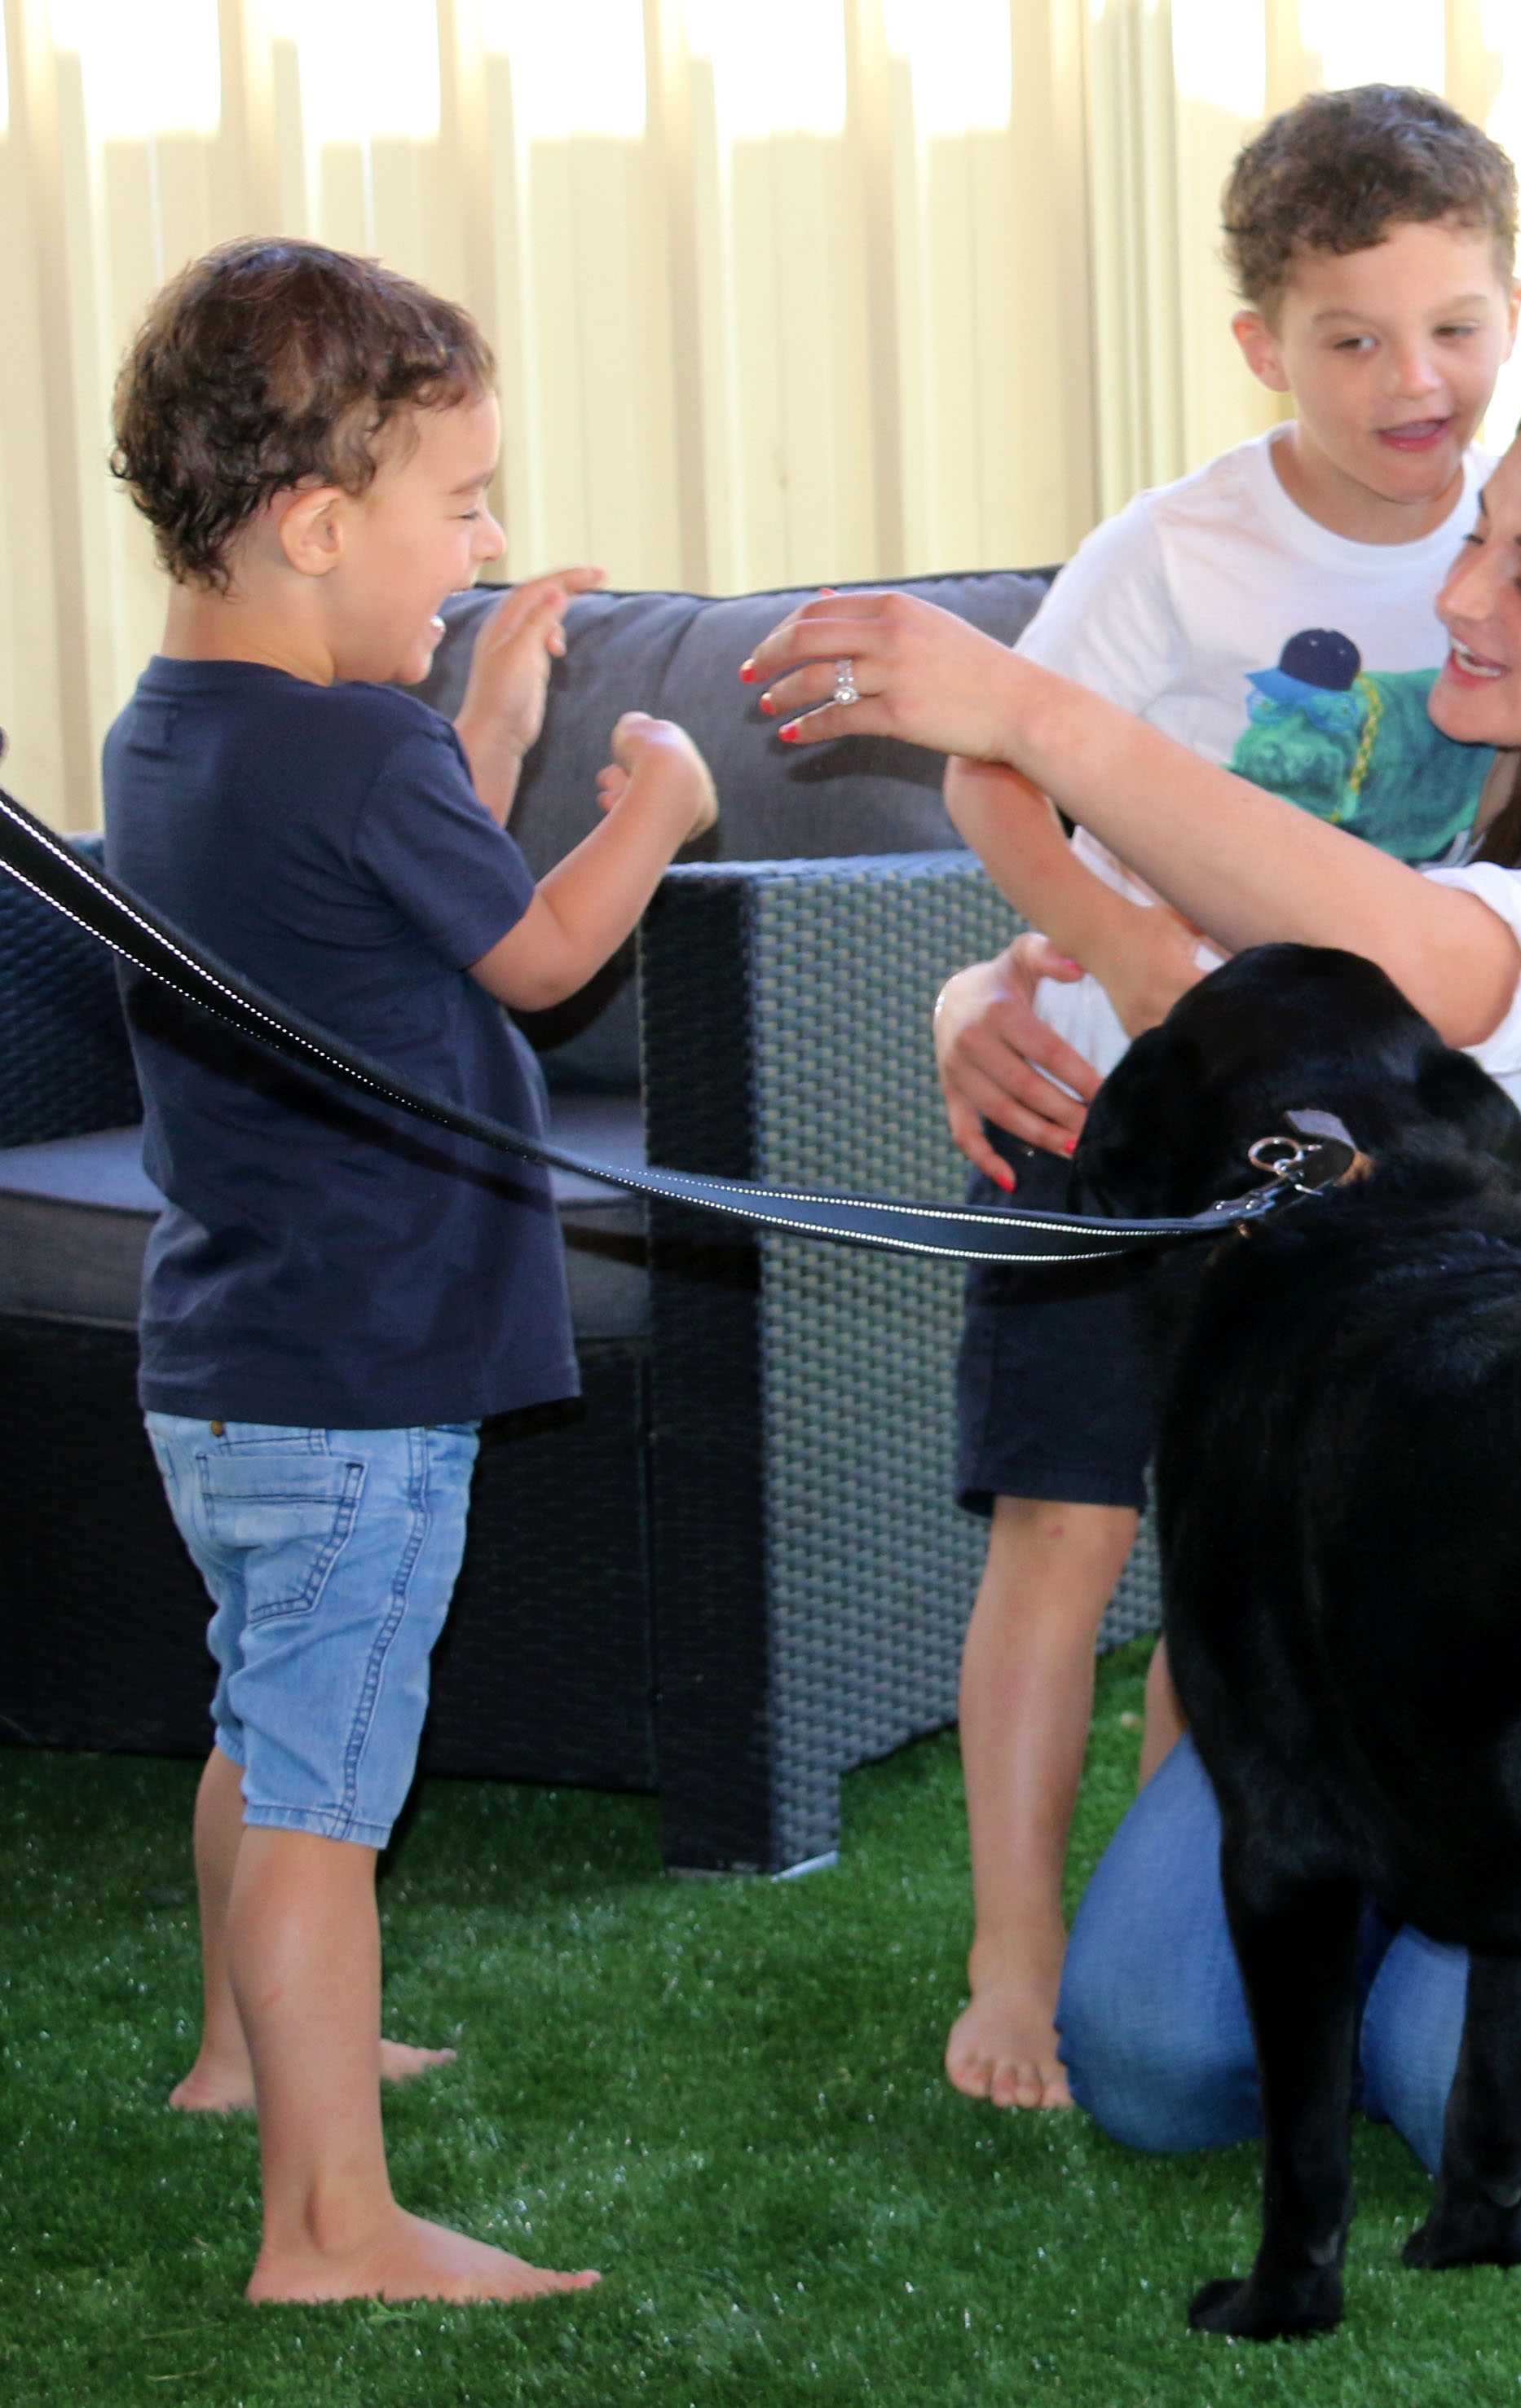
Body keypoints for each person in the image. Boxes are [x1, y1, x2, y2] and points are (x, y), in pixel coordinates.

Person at [739, 355, 1521, 2190]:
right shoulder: (1459, 848)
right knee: (1150, 2056)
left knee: (1454, 2079)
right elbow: (1227, 991)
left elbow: (1437, 969)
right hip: (1435, 1608)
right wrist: (984, 995)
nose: (1456, 597)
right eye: (1478, 546)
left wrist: (1040, 717)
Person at [769, 86, 1521, 2115]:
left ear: (1510, 307)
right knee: (1066, 1525)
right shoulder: (1179, 549)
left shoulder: (1517, 550)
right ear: (1262, 343)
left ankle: (1177, 1907)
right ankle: (1017, 1951)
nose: (1410, 379)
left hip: (1358, 1154)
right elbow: (984, 769)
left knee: (1247, 1549)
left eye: (1451, 326)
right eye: (1350, 337)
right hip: (1109, 1123)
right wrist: (1100, 950)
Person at [104, 236, 716, 2304]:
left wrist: (489, 709)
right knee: (326, 1791)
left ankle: (234, 2050)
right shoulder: (353, 755)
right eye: (459, 502)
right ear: (315, 522)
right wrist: (656, 801)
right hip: (362, 1375)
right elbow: (533, 955)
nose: (488, 537)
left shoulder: (177, 728)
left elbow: (377, 887)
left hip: (225, 1349)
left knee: (263, 1722)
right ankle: (330, 2222)